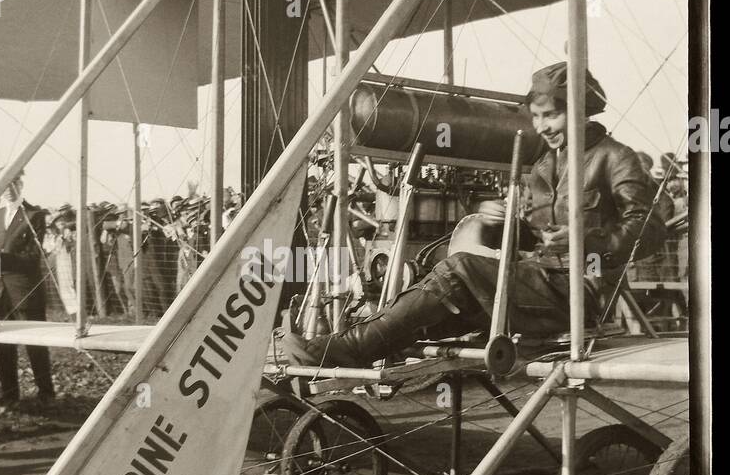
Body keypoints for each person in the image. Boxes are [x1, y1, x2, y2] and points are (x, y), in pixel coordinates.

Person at [278, 62, 668, 368]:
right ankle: (355, 348)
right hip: (541, 285)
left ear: (580, 112)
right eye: (536, 117)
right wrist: (501, 223)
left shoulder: (616, 158)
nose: (540, 127)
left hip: (579, 294)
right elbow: (535, 236)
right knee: (437, 299)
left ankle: (348, 349)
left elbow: (650, 229)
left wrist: (589, 241)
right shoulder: (546, 166)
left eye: (550, 116)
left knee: (458, 268)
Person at [0, 170, 56, 407]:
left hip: (26, 290)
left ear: (20, 183)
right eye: (3, 183)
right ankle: (10, 393)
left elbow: (34, 257)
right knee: (3, 343)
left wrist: (2, 258)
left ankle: (46, 392)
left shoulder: (34, 215)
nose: (8, 188)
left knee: (35, 342)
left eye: (12, 182)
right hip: (1, 292)